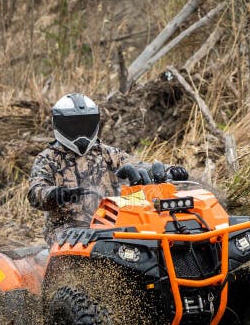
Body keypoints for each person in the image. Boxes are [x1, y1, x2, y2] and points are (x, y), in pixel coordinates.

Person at [28, 93, 188, 245]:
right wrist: (58, 194)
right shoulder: (48, 158)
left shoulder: (107, 153)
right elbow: (35, 193)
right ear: (60, 125)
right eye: (74, 125)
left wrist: (170, 170)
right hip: (66, 230)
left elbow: (139, 165)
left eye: (85, 125)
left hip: (110, 224)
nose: (81, 131)